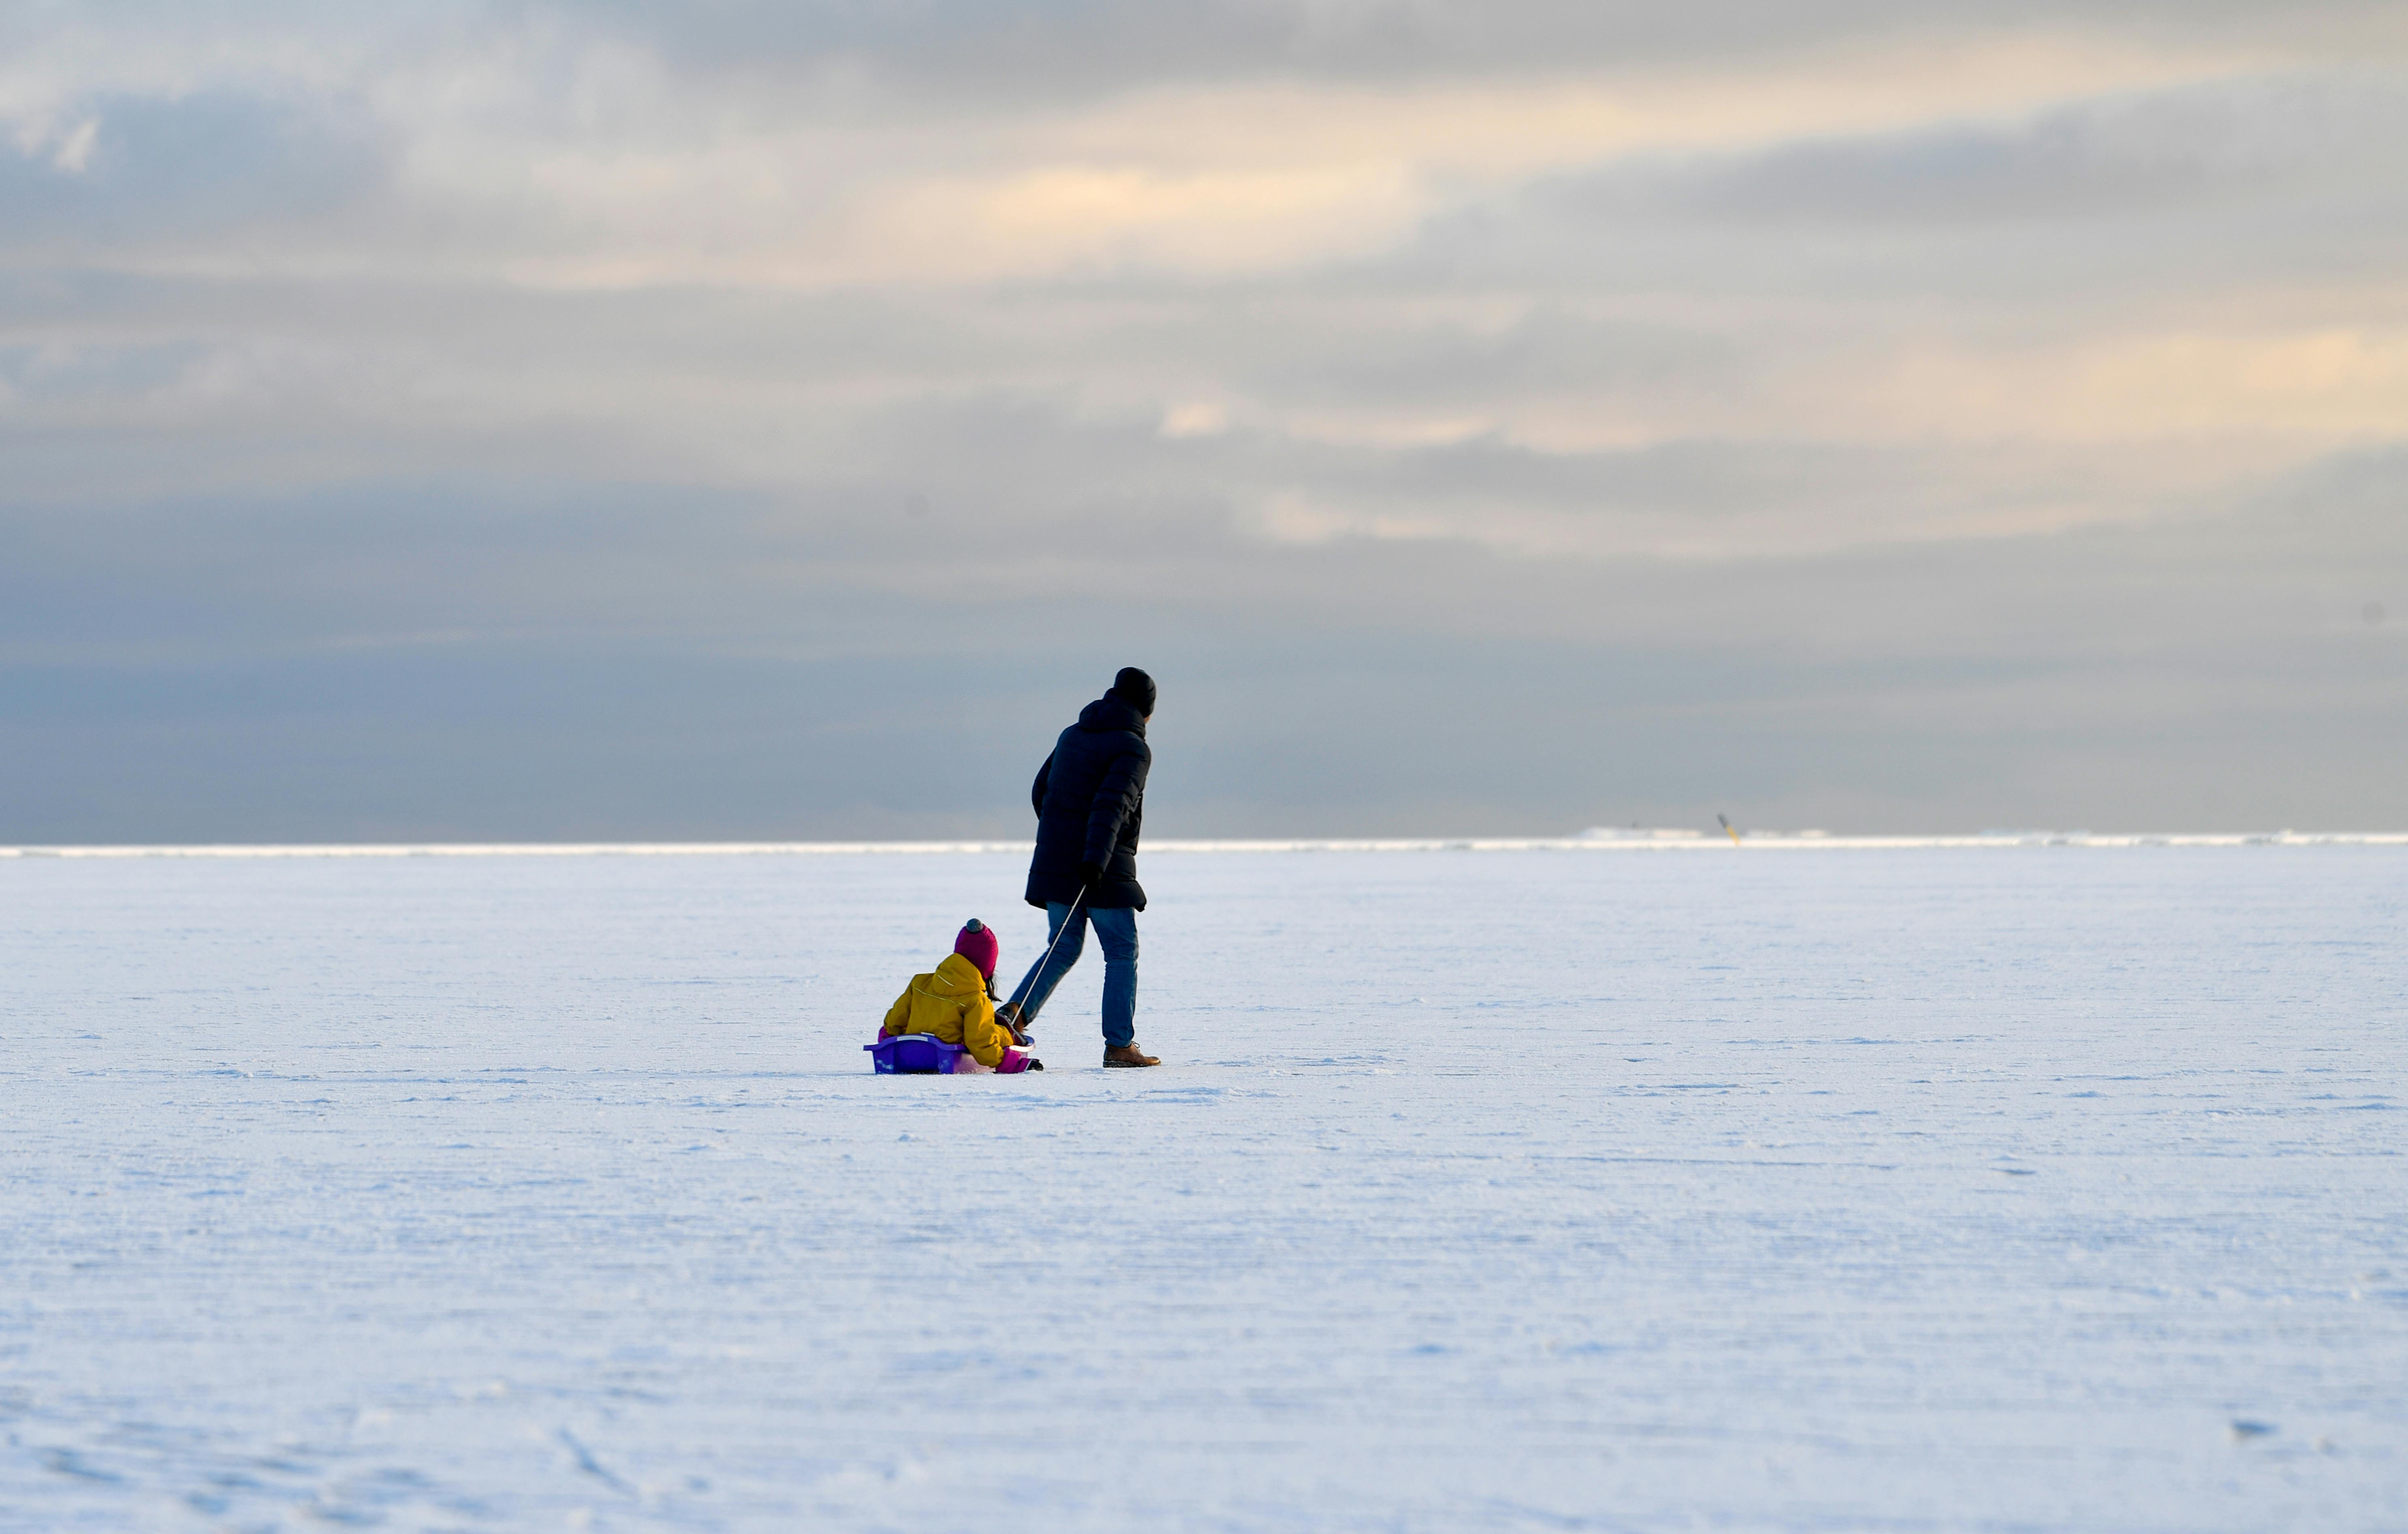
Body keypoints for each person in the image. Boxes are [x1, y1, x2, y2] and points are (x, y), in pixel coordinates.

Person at [1001, 667, 1161, 1067]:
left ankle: (1014, 1015)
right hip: (1102, 866)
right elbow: (1114, 804)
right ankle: (1119, 1045)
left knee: (1064, 945)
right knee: (1122, 950)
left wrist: (1064, 839)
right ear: (1146, 712)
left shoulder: (1073, 734)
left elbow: (1042, 791)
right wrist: (1094, 856)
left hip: (1060, 862)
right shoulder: (1133, 747)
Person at [879, 919, 1041, 1073]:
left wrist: (888, 1042)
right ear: (987, 966)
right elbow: (980, 1043)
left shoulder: (920, 983)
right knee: (997, 1034)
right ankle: (1010, 1037)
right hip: (949, 1057)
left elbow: (895, 1020)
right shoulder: (976, 1000)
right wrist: (1010, 1064)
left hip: (912, 1055)